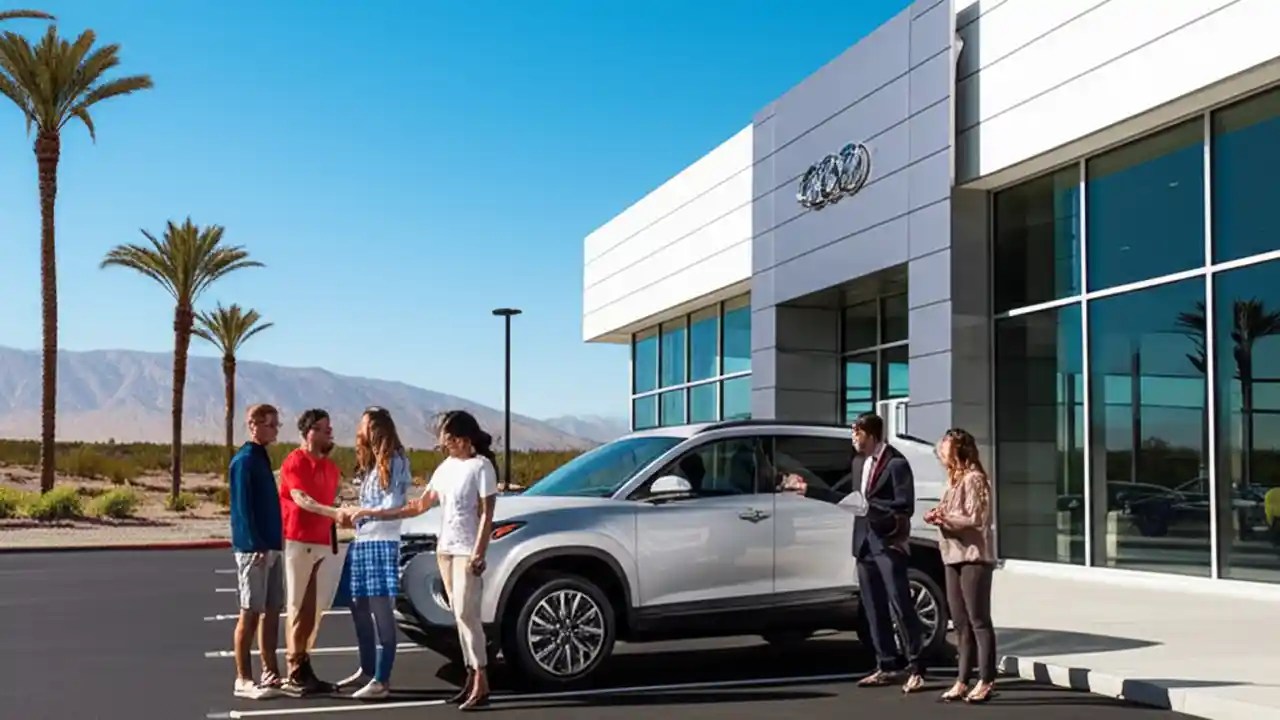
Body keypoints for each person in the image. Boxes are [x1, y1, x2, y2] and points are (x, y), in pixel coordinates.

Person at [411, 410, 499, 711]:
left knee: (466, 613)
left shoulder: (482, 467)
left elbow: (487, 512)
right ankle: (472, 678)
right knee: (458, 617)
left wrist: (479, 552)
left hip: (467, 550)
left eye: (448, 439)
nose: (445, 445)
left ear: (463, 438)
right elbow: (424, 502)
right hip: (445, 548)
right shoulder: (446, 467)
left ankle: (482, 678)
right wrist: (379, 513)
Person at [340, 407, 416, 700]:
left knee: (380, 609)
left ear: (376, 428)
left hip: (382, 543)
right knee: (358, 604)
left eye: (364, 426)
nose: (359, 431)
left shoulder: (396, 461)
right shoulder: (370, 466)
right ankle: (367, 668)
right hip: (363, 540)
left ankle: (382, 679)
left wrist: (365, 512)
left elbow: (394, 504)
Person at [847, 412, 926, 692]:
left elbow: (904, 506)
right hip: (864, 544)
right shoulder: (859, 462)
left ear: (871, 434)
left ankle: (916, 666)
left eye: (857, 432)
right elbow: (856, 498)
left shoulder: (896, 464)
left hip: (888, 542)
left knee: (900, 603)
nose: (853, 437)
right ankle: (886, 664)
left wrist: (874, 511)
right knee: (873, 607)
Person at [925, 428, 997, 704]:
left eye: (946, 448)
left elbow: (976, 519)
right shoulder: (953, 482)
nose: (942, 453)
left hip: (973, 556)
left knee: (979, 620)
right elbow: (954, 514)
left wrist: (945, 519)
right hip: (952, 556)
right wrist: (938, 515)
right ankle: (962, 680)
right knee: (960, 623)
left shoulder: (975, 479)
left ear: (959, 450)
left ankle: (986, 679)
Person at [277, 408, 341, 697]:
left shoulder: (331, 468)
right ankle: (293, 669)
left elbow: (329, 500)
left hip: (323, 543)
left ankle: (304, 665)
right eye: (324, 428)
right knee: (297, 605)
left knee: (314, 609)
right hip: (299, 540)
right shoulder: (294, 462)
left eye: (330, 427)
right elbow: (301, 499)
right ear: (309, 432)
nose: (330, 432)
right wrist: (334, 512)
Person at [227, 403, 285, 700]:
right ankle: (243, 678)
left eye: (277, 425)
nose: (276, 430)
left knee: (272, 610)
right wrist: (256, 544)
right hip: (255, 550)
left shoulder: (261, 458)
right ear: (254, 425)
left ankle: (270, 671)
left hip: (273, 546)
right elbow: (241, 509)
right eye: (272, 424)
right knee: (250, 612)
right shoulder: (245, 460)